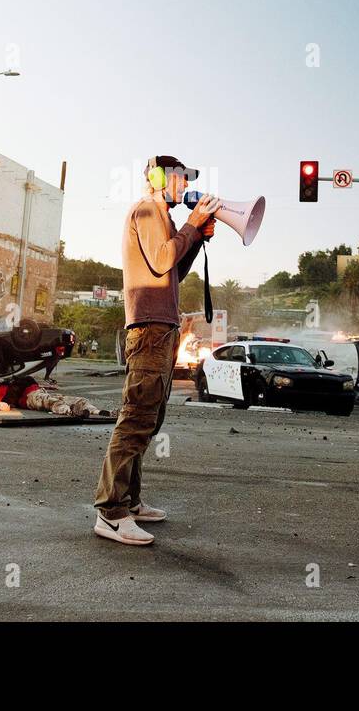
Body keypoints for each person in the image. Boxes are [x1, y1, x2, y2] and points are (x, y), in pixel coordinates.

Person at [92, 156, 218, 546]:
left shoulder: (161, 218)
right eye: (181, 178)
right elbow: (163, 258)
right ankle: (110, 512)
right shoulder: (147, 210)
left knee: (150, 418)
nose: (185, 185)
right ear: (160, 177)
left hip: (162, 331)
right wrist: (191, 226)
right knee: (136, 417)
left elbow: (172, 270)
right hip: (148, 329)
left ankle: (129, 502)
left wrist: (194, 239)